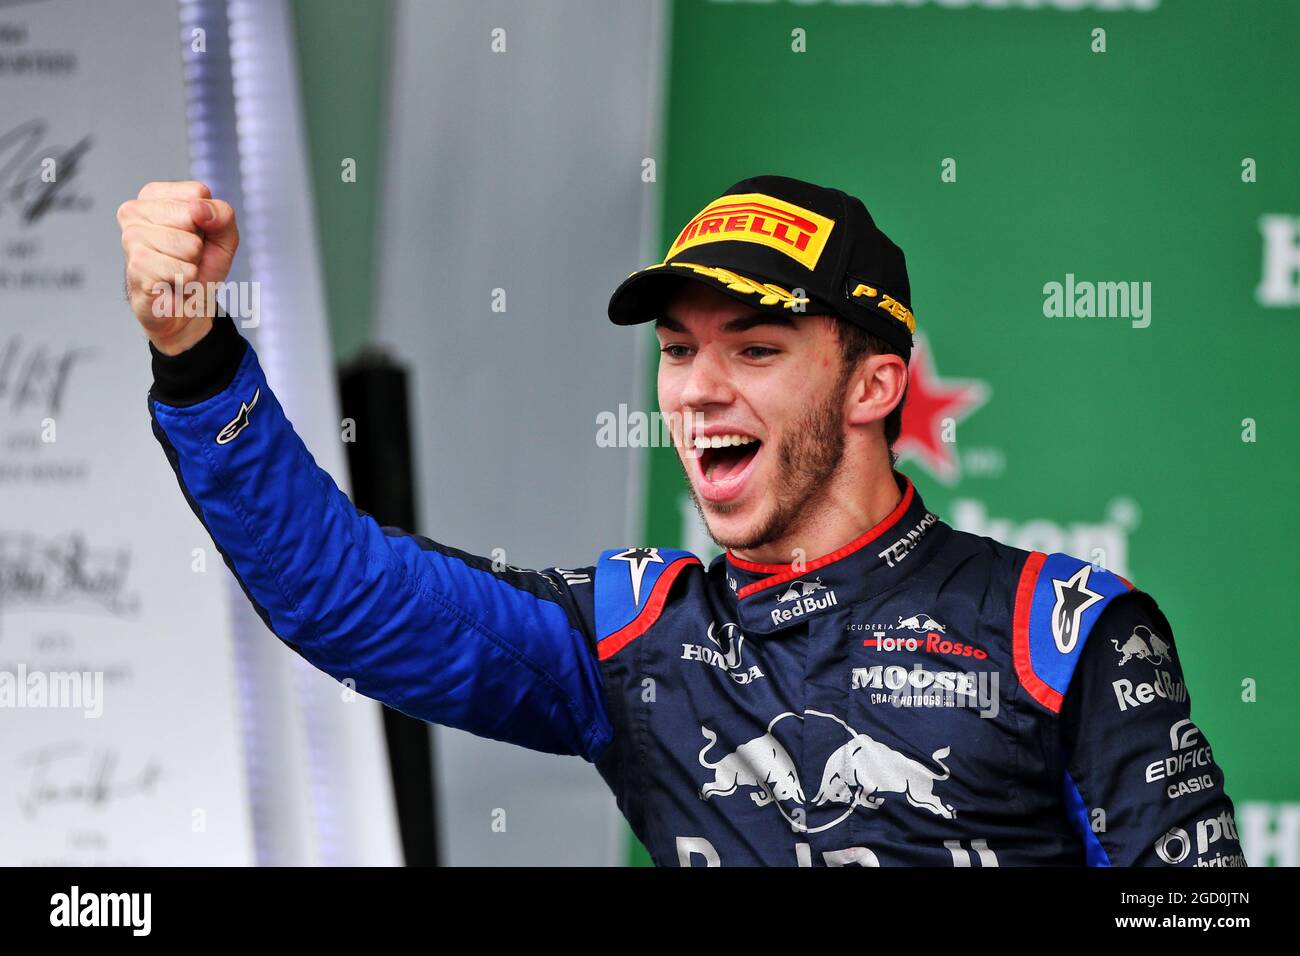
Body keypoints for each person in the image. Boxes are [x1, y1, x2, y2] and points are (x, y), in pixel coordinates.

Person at [117, 174, 1244, 867]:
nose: (698, 389)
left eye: (753, 350)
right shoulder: (639, 633)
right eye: (676, 351)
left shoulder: (1057, 627)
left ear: (873, 386)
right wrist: (197, 356)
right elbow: (342, 596)